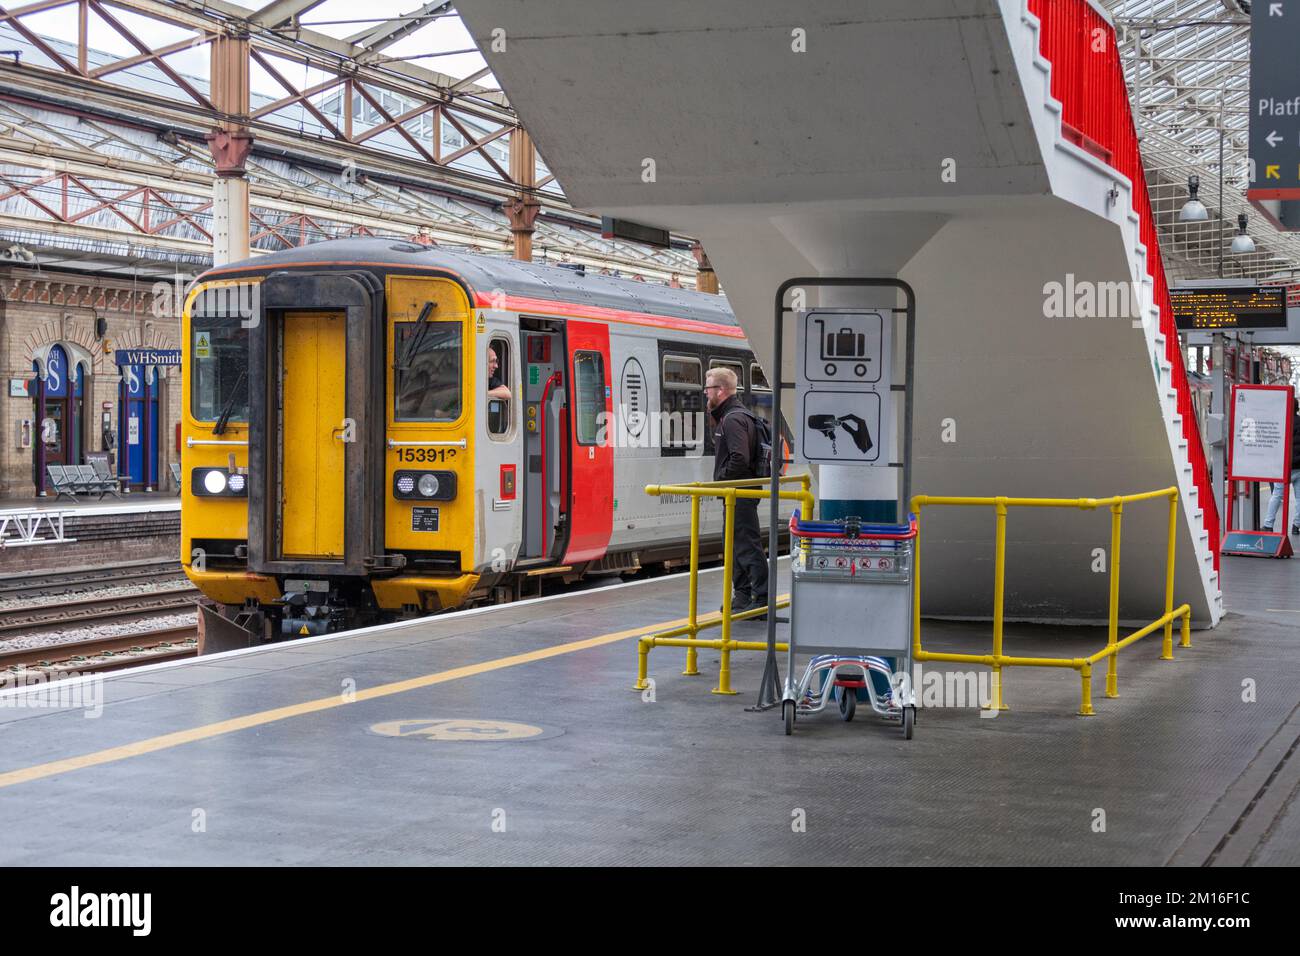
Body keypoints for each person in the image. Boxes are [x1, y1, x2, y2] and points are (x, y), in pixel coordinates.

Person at [704, 366, 768, 614]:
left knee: (746, 545)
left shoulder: (731, 420)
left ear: (720, 391)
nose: (706, 394)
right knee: (734, 545)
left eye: (708, 389)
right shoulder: (738, 415)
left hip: (738, 493)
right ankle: (742, 597)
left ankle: (760, 599)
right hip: (739, 493)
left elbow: (739, 458)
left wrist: (720, 478)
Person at [1264, 395, 1300, 535]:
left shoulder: (1282, 422)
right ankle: (1296, 526)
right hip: (1299, 467)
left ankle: (1268, 524)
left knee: (1277, 495)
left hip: (1284, 467)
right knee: (1299, 497)